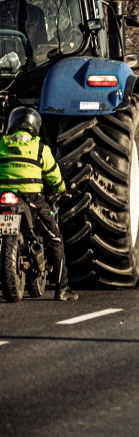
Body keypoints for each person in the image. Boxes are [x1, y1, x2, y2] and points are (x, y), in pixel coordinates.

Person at [0, 107, 76, 300]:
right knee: (55, 238)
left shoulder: (1, 143)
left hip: (4, 196)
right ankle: (62, 289)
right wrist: (61, 188)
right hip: (31, 199)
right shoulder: (40, 147)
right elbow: (53, 175)